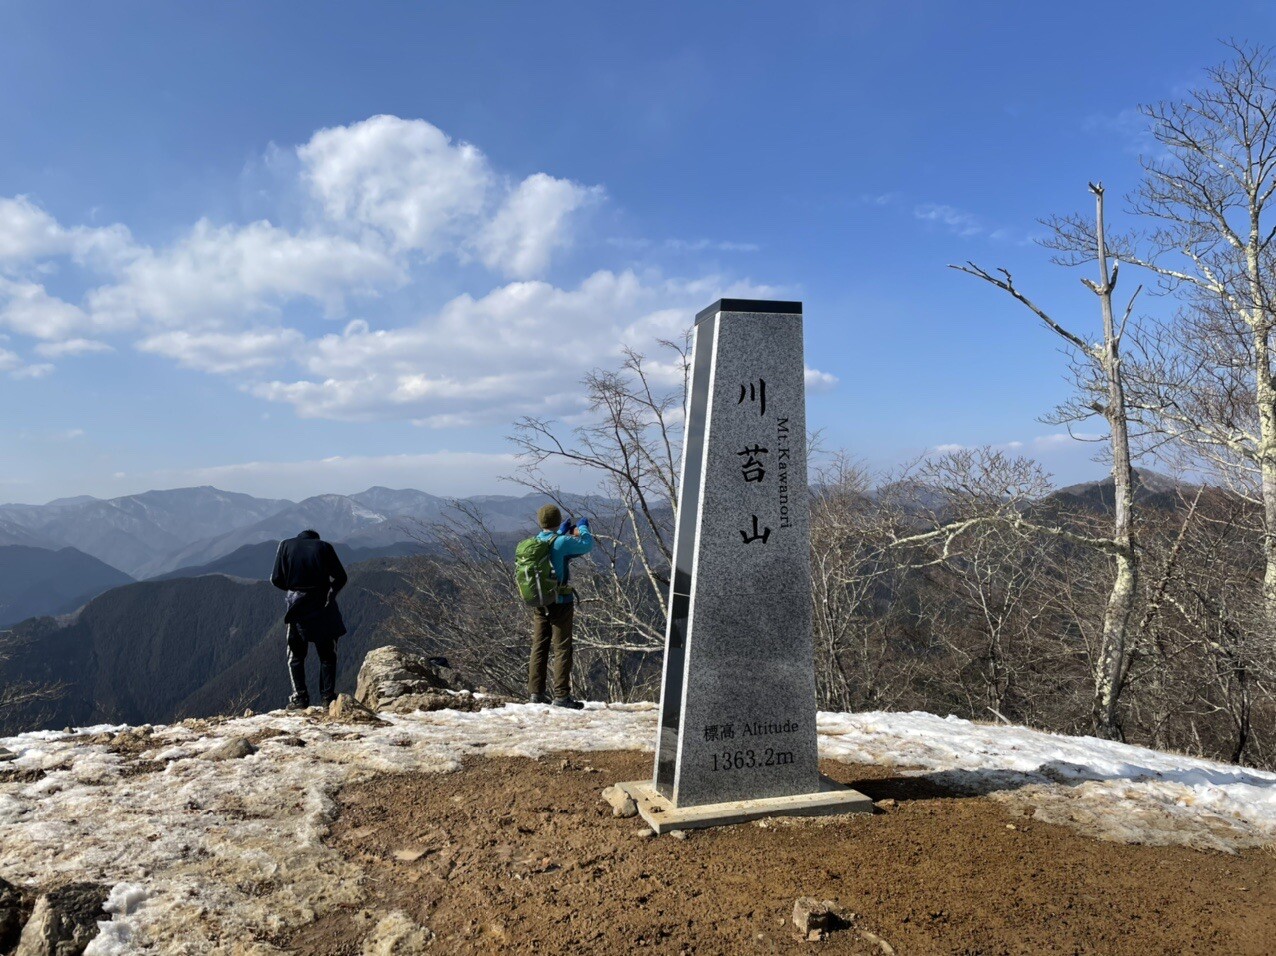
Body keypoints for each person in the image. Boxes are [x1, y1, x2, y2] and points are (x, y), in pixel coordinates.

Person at [270, 529, 348, 710]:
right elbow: (341, 577)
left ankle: (300, 698)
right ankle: (328, 698)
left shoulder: (285, 545)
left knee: (296, 655)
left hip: (297, 607)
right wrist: (331, 592)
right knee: (327, 655)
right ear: (316, 538)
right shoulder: (325, 547)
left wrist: (293, 589)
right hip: (324, 607)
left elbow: (275, 579)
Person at [528, 503, 594, 709]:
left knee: (539, 646)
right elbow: (586, 545)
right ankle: (561, 696)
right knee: (562, 648)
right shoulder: (562, 541)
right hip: (560, 602)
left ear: (541, 522)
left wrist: (562, 532)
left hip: (540, 602)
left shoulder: (535, 542)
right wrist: (583, 527)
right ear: (557, 521)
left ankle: (536, 693)